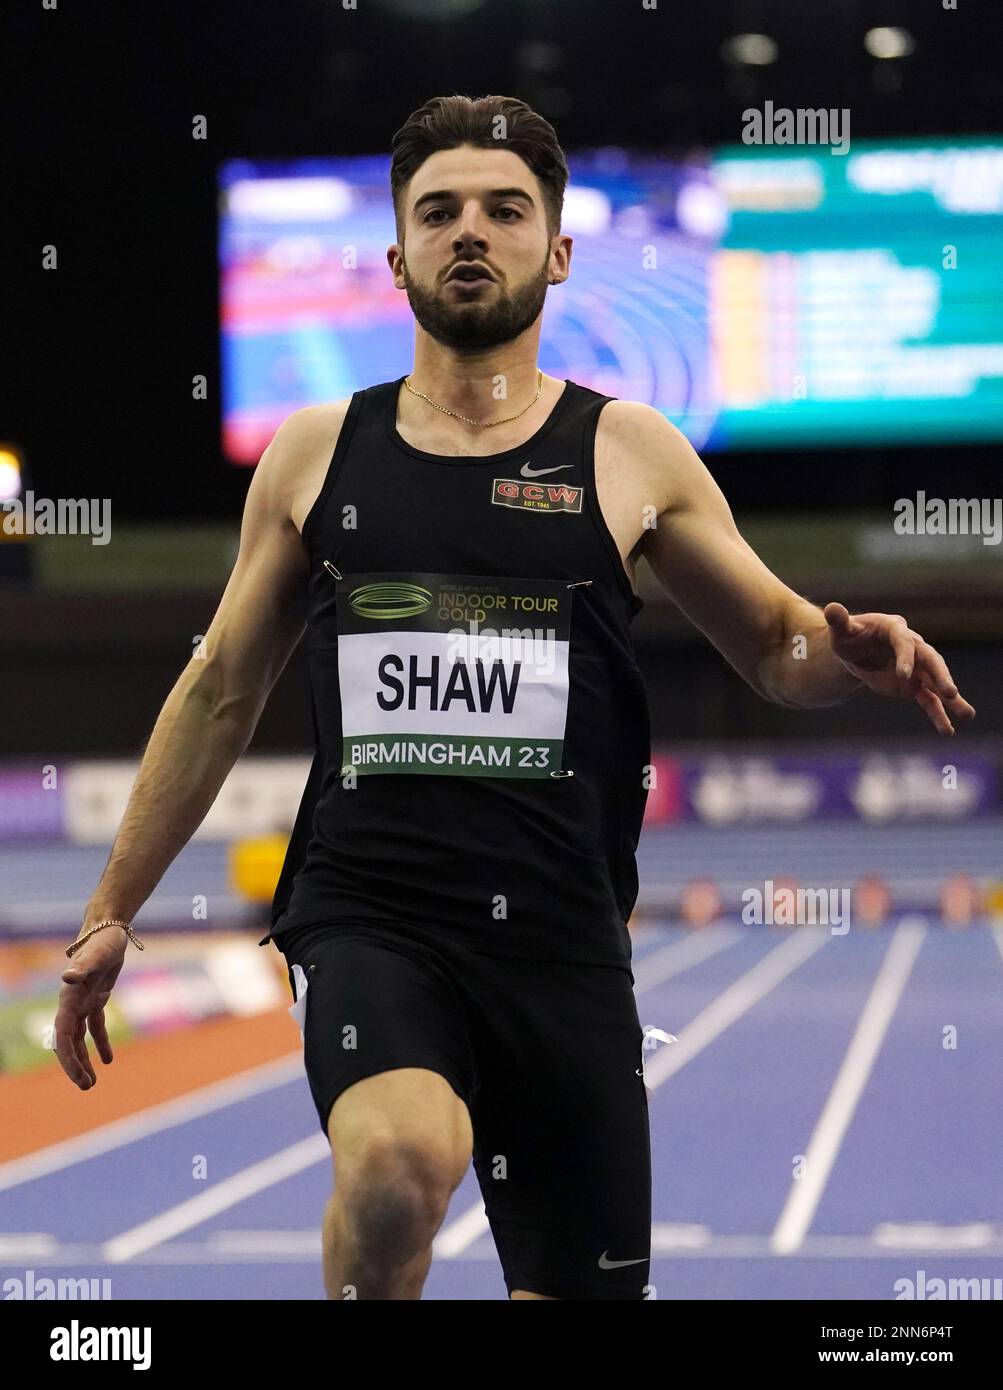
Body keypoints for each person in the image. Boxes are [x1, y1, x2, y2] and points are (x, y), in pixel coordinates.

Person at [54, 94, 975, 1301]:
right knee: (394, 1166)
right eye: (437, 213)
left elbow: (775, 647)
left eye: (504, 209)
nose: (469, 231)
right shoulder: (315, 451)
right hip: (370, 914)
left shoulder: (631, 450)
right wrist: (113, 907)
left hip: (563, 938)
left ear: (559, 250)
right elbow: (221, 684)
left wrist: (840, 657)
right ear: (396, 256)